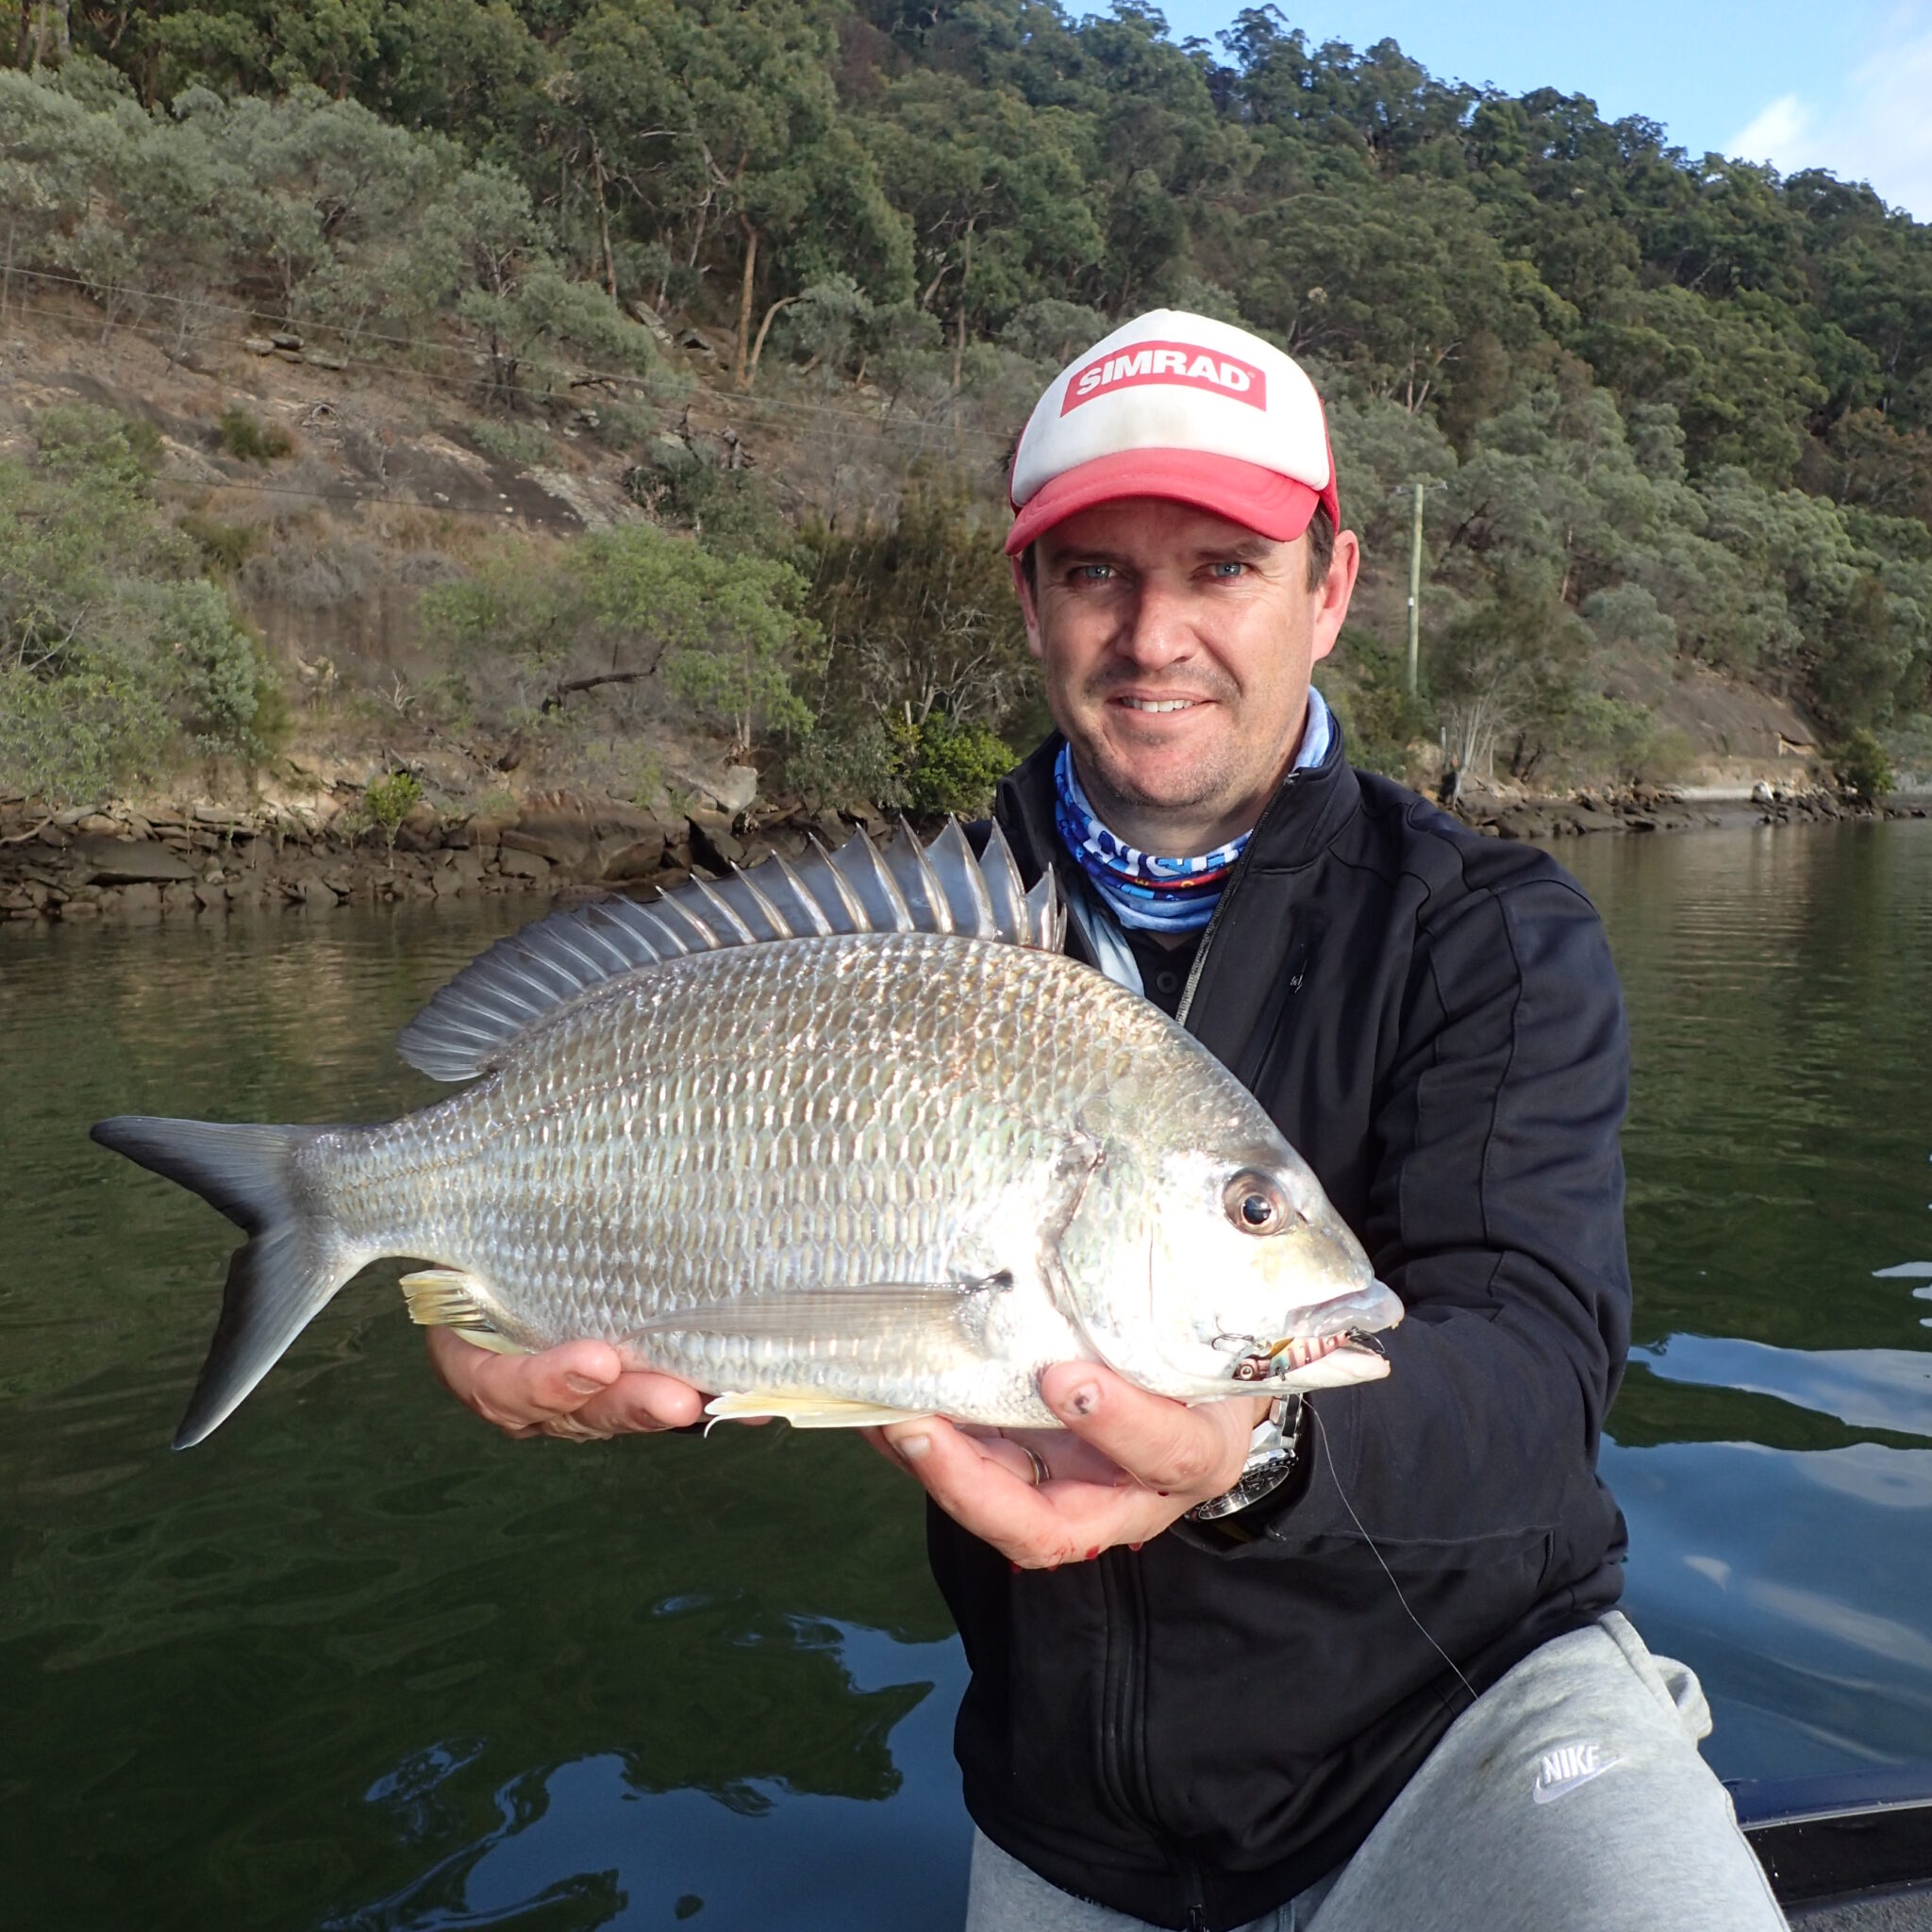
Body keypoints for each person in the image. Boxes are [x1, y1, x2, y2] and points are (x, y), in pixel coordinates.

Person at [430, 311, 1788, 1932]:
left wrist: (1256, 1445)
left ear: (1331, 587)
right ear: (1030, 599)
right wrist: (492, 1285)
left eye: (1222, 566)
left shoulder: (1488, 930)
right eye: (1097, 572)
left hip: (1475, 1732)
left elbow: (1538, 1368)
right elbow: (733, 1273)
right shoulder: (900, 947)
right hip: (1074, 1819)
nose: (1155, 634)